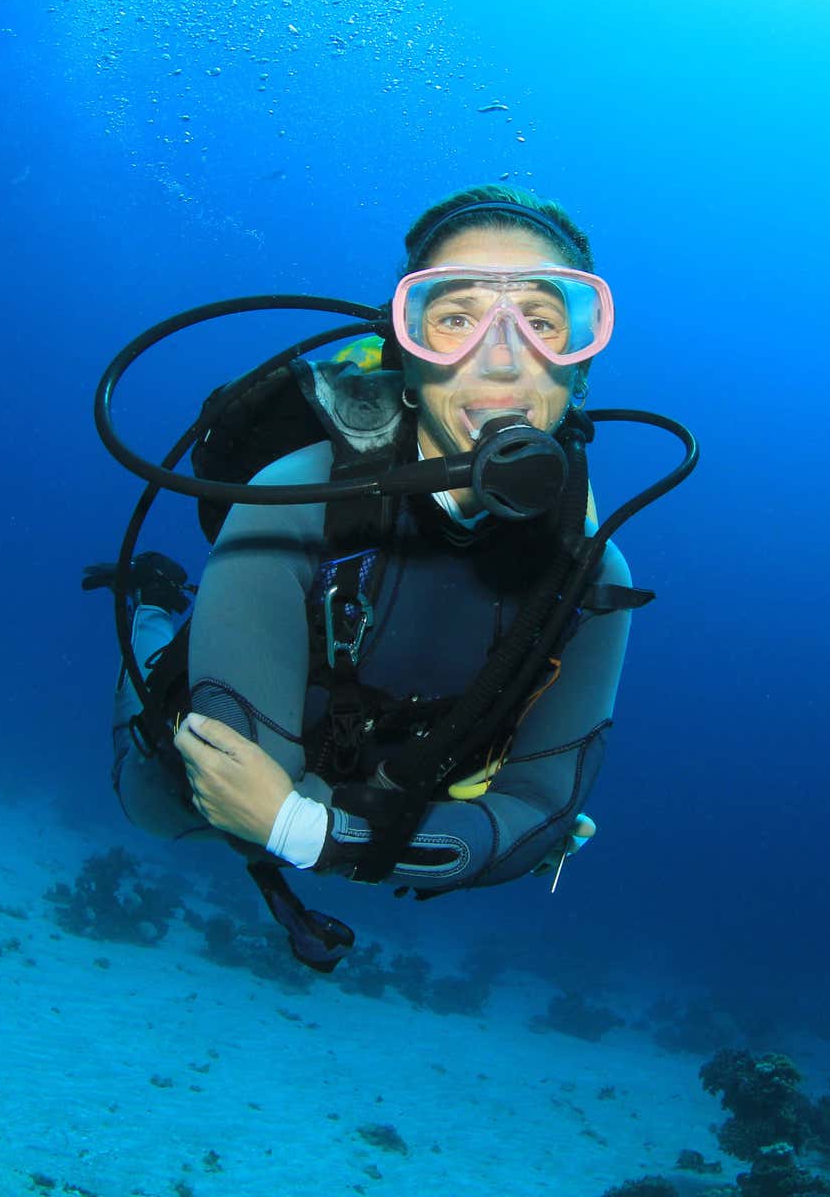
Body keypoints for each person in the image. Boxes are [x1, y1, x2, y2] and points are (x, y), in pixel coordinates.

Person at [105, 185, 650, 963]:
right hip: (237, 758)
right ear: (407, 351)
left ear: (581, 364)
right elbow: (243, 798)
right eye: (455, 316)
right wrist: (459, 834)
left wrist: (306, 828)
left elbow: (543, 808)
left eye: (542, 320)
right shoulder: (290, 500)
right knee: (152, 805)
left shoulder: (591, 573)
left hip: (382, 775)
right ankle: (152, 606)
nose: (501, 358)